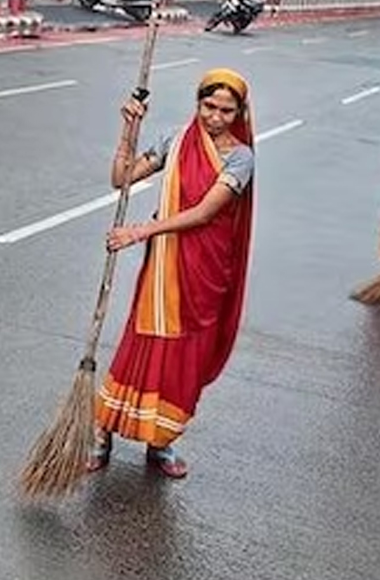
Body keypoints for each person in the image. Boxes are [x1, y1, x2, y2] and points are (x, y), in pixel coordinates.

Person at [88, 68, 257, 480]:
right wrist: (129, 129)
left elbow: (205, 213)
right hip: (165, 263)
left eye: (226, 111)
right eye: (208, 106)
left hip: (206, 271)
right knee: (143, 339)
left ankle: (160, 441)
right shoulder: (176, 140)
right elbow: (121, 179)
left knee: (185, 356)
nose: (215, 117)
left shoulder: (241, 158)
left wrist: (139, 232)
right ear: (198, 102)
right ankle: (103, 434)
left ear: (240, 113)